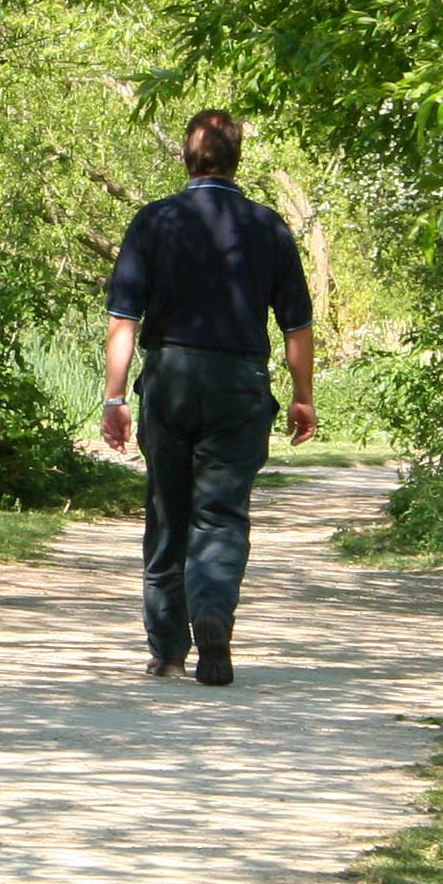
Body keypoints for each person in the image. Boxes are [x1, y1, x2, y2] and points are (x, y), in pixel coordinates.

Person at [96, 110, 316, 686]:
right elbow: (296, 327)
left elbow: (123, 321)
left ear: (186, 158)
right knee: (221, 513)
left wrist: (114, 398)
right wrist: (303, 396)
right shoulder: (268, 227)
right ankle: (213, 611)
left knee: (168, 511)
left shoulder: (155, 221)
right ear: (237, 159)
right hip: (238, 382)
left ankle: (169, 649)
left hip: (170, 377)